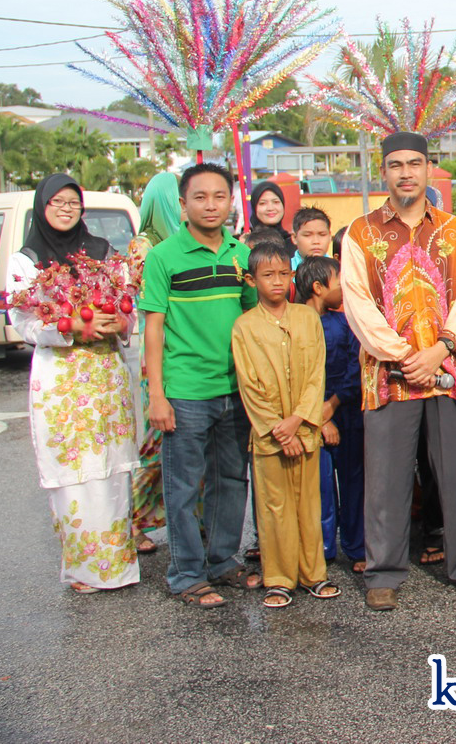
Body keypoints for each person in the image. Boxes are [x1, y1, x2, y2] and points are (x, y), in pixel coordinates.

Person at [341, 131, 456, 612]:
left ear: (428, 169)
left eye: (414, 164)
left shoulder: (454, 230)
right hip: (389, 376)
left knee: (455, 475)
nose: (406, 173)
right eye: (396, 165)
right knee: (386, 480)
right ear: (383, 172)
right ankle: (383, 572)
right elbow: (358, 305)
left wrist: (439, 350)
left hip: (447, 371)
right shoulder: (360, 233)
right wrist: (408, 357)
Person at [6, 174, 139, 593]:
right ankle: (85, 570)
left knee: (111, 470)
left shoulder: (102, 252)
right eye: (57, 202)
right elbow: (23, 320)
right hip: (61, 378)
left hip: (105, 374)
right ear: (42, 206)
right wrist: (71, 330)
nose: (66, 209)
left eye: (73, 202)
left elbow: (128, 306)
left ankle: (117, 567)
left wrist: (119, 322)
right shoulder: (26, 261)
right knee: (74, 472)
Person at [141, 163, 261, 607]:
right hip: (186, 391)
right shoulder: (163, 257)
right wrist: (157, 395)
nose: (210, 205)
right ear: (182, 204)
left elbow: (253, 319)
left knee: (231, 480)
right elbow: (153, 328)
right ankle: (187, 574)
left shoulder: (241, 255)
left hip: (235, 389)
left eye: (219, 196)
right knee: (183, 487)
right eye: (200, 197)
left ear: (231, 202)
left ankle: (222, 561)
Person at [231, 243, 339, 608]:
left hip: (305, 429)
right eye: (267, 275)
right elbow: (248, 385)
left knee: (309, 504)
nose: (276, 282)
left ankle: (314, 574)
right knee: (273, 508)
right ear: (252, 280)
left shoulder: (307, 318)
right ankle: (278, 578)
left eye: (282, 274)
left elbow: (317, 373)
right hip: (269, 437)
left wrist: (297, 421)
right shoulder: (244, 326)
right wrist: (278, 428)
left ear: (292, 275)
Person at [296, 255, 365, 574]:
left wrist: (333, 406)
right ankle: (322, 549)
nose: (344, 288)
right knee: (319, 487)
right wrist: (321, 418)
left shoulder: (345, 322)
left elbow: (355, 367)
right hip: (309, 417)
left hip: (346, 410)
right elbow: (296, 376)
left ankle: (357, 546)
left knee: (354, 482)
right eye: (339, 281)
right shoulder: (294, 325)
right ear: (318, 287)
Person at [128, 171, 180, 554]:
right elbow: (148, 305)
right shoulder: (144, 246)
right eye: (178, 198)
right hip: (158, 351)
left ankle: (192, 523)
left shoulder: (184, 239)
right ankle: (130, 520)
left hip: (187, 348)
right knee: (159, 438)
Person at [245, 180, 292, 245]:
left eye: (276, 202)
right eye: (263, 203)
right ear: (254, 207)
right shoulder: (247, 244)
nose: (270, 208)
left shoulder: (295, 243)